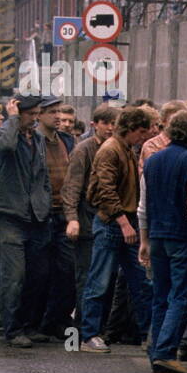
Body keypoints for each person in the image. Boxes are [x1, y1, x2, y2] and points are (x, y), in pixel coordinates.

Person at [78, 105, 154, 354]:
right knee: (99, 281)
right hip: (112, 223)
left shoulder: (125, 148)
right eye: (141, 131)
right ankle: (89, 334)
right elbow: (105, 190)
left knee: (141, 282)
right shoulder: (111, 150)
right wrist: (123, 222)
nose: (143, 136)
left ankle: (148, 334)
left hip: (123, 222)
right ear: (130, 128)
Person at [138, 111, 187, 373]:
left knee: (160, 295)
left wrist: (144, 239)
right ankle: (166, 353)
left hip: (156, 235)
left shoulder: (152, 161)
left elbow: (143, 206)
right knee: (181, 295)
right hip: (181, 236)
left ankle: (156, 348)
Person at [0, 94, 52, 348]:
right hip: (10, 215)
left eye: (37, 114)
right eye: (30, 114)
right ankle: (12, 328)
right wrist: (13, 119)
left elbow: (42, 175)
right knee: (13, 276)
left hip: (36, 216)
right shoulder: (3, 134)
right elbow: (4, 147)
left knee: (38, 274)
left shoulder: (37, 139)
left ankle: (28, 324)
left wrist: (45, 202)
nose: (35, 119)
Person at [62, 104, 117, 327]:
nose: (110, 128)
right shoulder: (83, 150)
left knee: (107, 278)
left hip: (107, 221)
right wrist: (72, 218)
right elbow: (72, 186)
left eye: (114, 124)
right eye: (106, 123)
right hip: (86, 221)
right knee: (87, 277)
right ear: (95, 125)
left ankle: (98, 326)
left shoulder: (117, 148)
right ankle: (83, 327)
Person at [29, 96, 76, 341]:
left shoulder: (67, 140)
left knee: (66, 269)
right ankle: (33, 322)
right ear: (39, 114)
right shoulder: (32, 140)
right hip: (41, 215)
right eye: (52, 112)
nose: (57, 116)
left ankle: (57, 320)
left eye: (59, 111)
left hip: (63, 213)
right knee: (39, 272)